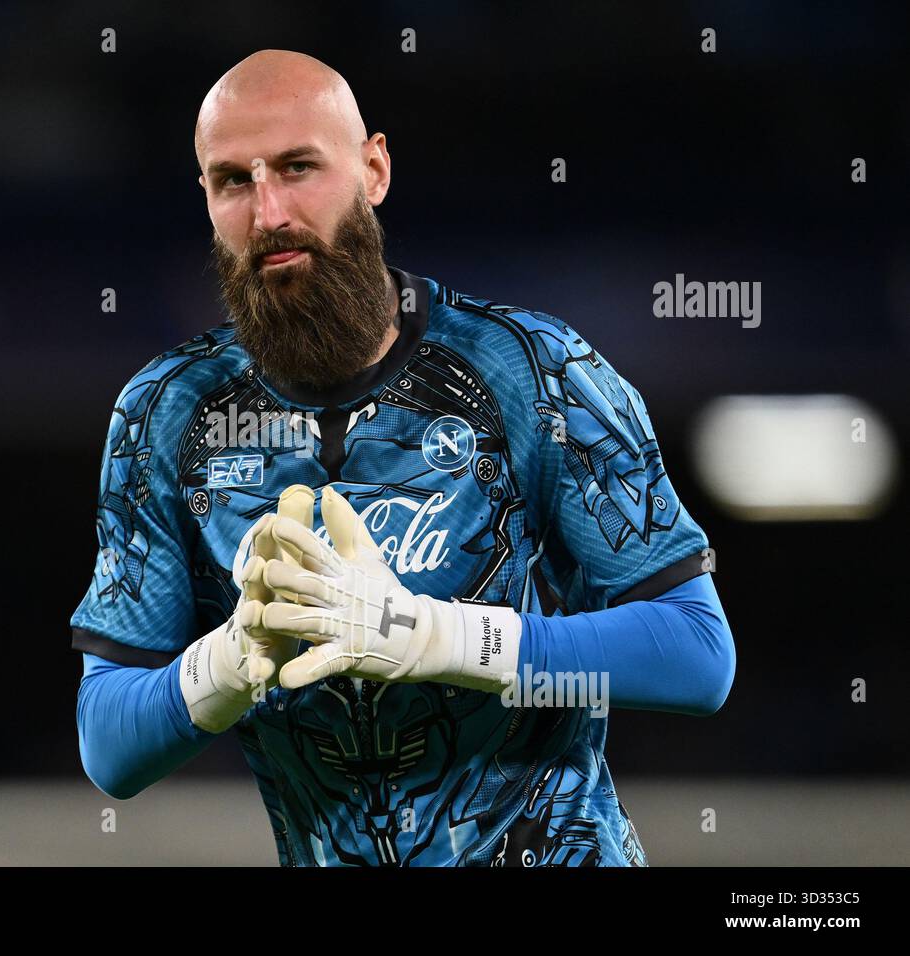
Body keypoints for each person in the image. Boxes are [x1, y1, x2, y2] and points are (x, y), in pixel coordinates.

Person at [71, 50, 735, 866]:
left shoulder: (535, 371)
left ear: (374, 169)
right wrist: (232, 660)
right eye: (232, 181)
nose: (269, 210)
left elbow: (697, 657)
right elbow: (108, 746)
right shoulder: (164, 413)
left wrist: (434, 639)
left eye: (297, 167)